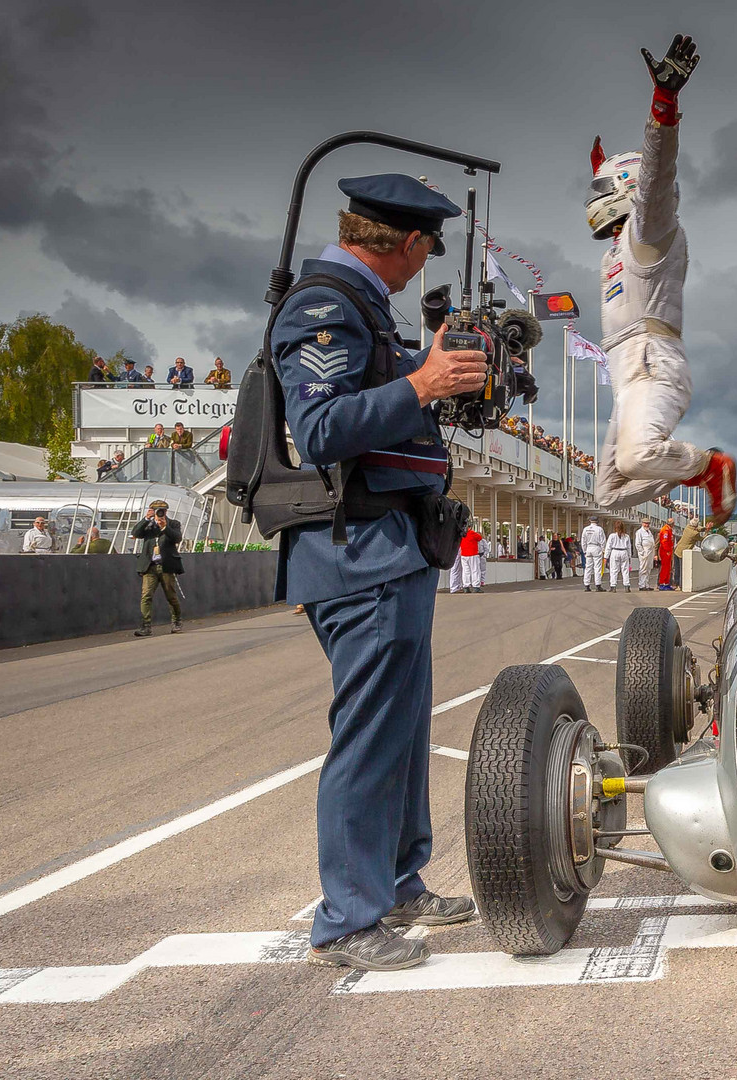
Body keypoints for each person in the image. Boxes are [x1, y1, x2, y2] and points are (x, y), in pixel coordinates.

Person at [272, 173, 482, 971]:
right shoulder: (324, 305)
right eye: (425, 250)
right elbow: (320, 429)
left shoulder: (362, 307)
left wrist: (431, 380)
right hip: (356, 552)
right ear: (411, 244)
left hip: (390, 548)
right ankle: (348, 919)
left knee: (400, 725)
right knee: (367, 735)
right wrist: (421, 383)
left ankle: (395, 880)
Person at [586, 34, 736, 536]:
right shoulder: (617, 249)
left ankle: (709, 467)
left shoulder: (648, 232)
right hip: (628, 377)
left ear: (624, 190)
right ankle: (687, 469)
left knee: (636, 454)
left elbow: (656, 180)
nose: (594, 198)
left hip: (654, 363)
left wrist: (663, 109)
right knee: (608, 492)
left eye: (601, 188)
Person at [131, 500, 183, 635]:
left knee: (171, 596)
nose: (160, 514)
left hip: (167, 566)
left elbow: (177, 538)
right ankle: (145, 626)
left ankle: (176, 620)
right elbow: (135, 533)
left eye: (163, 511)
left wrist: (165, 527)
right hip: (150, 566)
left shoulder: (173, 524)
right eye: (157, 511)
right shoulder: (148, 526)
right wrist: (146, 519)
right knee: (146, 596)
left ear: (166, 511)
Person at [448, 526, 483, 593]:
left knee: (466, 571)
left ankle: (466, 586)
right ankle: (476, 586)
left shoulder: (461, 534)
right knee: (475, 570)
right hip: (473, 554)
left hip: (464, 554)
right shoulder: (471, 533)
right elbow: (479, 538)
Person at [580, 519, 607, 591]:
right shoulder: (599, 529)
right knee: (597, 567)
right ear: (597, 521)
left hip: (588, 548)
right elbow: (603, 541)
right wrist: (603, 549)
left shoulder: (585, 529)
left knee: (588, 567)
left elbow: (583, 541)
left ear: (590, 521)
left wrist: (584, 550)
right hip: (596, 547)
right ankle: (598, 585)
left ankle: (587, 585)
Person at [606, 523, 633, 592]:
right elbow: (629, 547)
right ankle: (627, 586)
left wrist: (606, 556)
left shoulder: (612, 536)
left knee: (614, 570)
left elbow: (608, 547)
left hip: (615, 551)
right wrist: (629, 556)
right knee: (625, 570)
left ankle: (613, 586)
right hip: (624, 551)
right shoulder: (626, 536)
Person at [635, 521, 657, 590]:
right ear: (642, 523)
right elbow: (638, 544)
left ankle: (646, 584)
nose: (646, 525)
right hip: (644, 552)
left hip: (650, 552)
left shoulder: (649, 532)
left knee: (648, 568)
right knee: (643, 569)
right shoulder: (639, 532)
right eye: (645, 523)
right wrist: (642, 552)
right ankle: (641, 585)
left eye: (648, 524)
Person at [657, 520, 675, 591]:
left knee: (668, 568)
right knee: (665, 568)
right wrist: (667, 550)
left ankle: (666, 583)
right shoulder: (666, 530)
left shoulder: (668, 530)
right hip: (665, 551)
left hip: (668, 551)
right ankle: (662, 583)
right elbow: (664, 541)